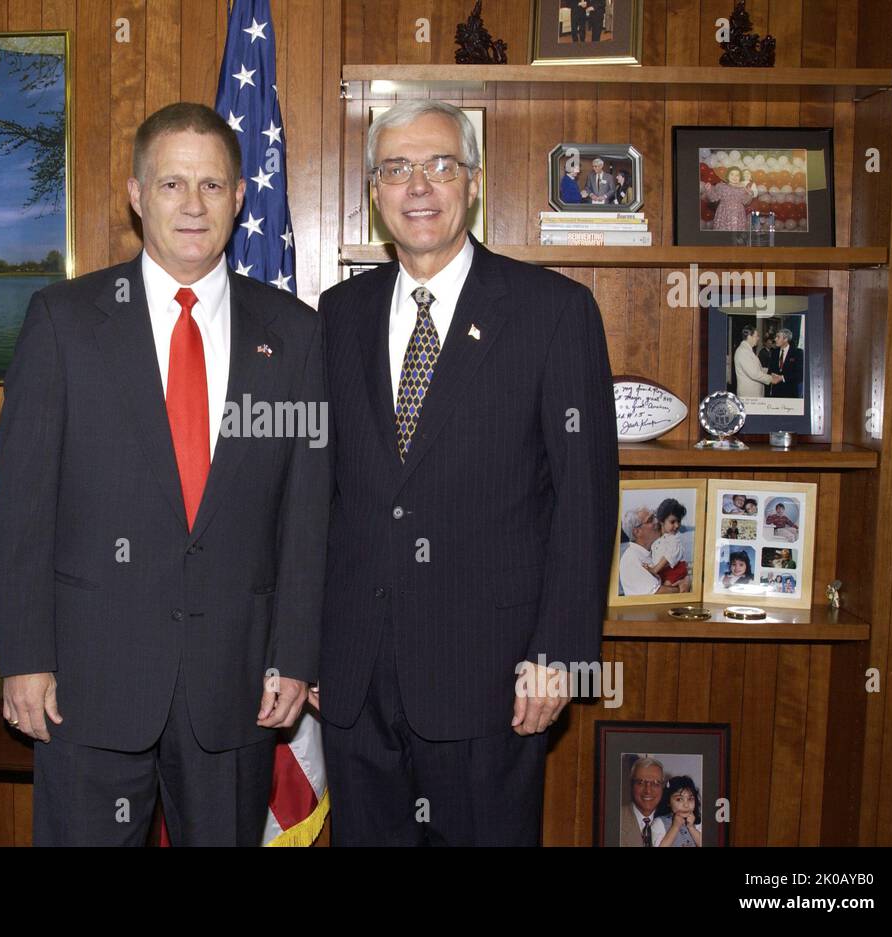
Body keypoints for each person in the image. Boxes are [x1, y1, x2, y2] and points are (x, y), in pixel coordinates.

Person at [0, 102, 330, 846]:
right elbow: (22, 509)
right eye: (172, 184)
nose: (193, 204)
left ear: (241, 198)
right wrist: (25, 657)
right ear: (137, 195)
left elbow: (306, 515)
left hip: (235, 685)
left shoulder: (295, 336)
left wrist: (297, 656)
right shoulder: (64, 320)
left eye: (212, 185)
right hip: (86, 682)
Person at [314, 99, 619, 845]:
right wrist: (306, 646)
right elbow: (318, 496)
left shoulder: (554, 312)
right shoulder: (336, 314)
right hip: (354, 680)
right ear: (375, 191)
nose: (418, 185)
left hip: (492, 679)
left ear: (473, 183)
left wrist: (558, 658)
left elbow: (585, 502)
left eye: (439, 165)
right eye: (396, 169)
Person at [619, 507, 692, 597]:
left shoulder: (650, 552)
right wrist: (682, 587)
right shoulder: (631, 559)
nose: (657, 521)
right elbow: (656, 593)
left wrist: (687, 579)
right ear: (637, 532)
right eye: (650, 520)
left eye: (654, 516)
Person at [620, 757, 666, 847]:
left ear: (662, 788)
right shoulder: (616, 818)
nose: (648, 791)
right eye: (640, 783)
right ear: (632, 785)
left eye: (655, 783)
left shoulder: (672, 822)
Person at [643, 498, 689, 586]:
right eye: (672, 522)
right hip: (663, 570)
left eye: (678, 521)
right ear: (661, 521)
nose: (677, 525)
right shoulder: (659, 537)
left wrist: (654, 570)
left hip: (675, 570)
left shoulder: (675, 538)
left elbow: (668, 556)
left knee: (666, 587)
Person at [705, 166, 759, 232]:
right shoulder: (721, 186)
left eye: (737, 175)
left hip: (738, 215)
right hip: (724, 213)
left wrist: (750, 194)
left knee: (736, 235)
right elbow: (713, 198)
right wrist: (709, 190)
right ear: (727, 176)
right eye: (732, 174)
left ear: (740, 177)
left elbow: (746, 201)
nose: (734, 177)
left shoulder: (743, 189)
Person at [655, 775, 703, 847]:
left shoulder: (697, 823)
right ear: (668, 801)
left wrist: (691, 828)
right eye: (679, 799)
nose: (686, 805)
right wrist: (675, 827)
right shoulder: (659, 822)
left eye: (690, 799)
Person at [732, 326, 779, 398]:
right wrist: (771, 379)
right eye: (756, 336)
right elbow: (754, 373)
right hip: (749, 395)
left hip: (753, 394)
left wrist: (770, 372)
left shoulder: (748, 350)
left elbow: (757, 368)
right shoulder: (743, 351)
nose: (758, 338)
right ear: (749, 337)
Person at [770, 328, 803, 398]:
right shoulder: (774, 352)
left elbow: (800, 375)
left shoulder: (797, 353)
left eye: (778, 337)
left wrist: (782, 378)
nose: (775, 339)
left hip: (790, 394)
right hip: (775, 394)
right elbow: (770, 370)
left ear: (785, 339)